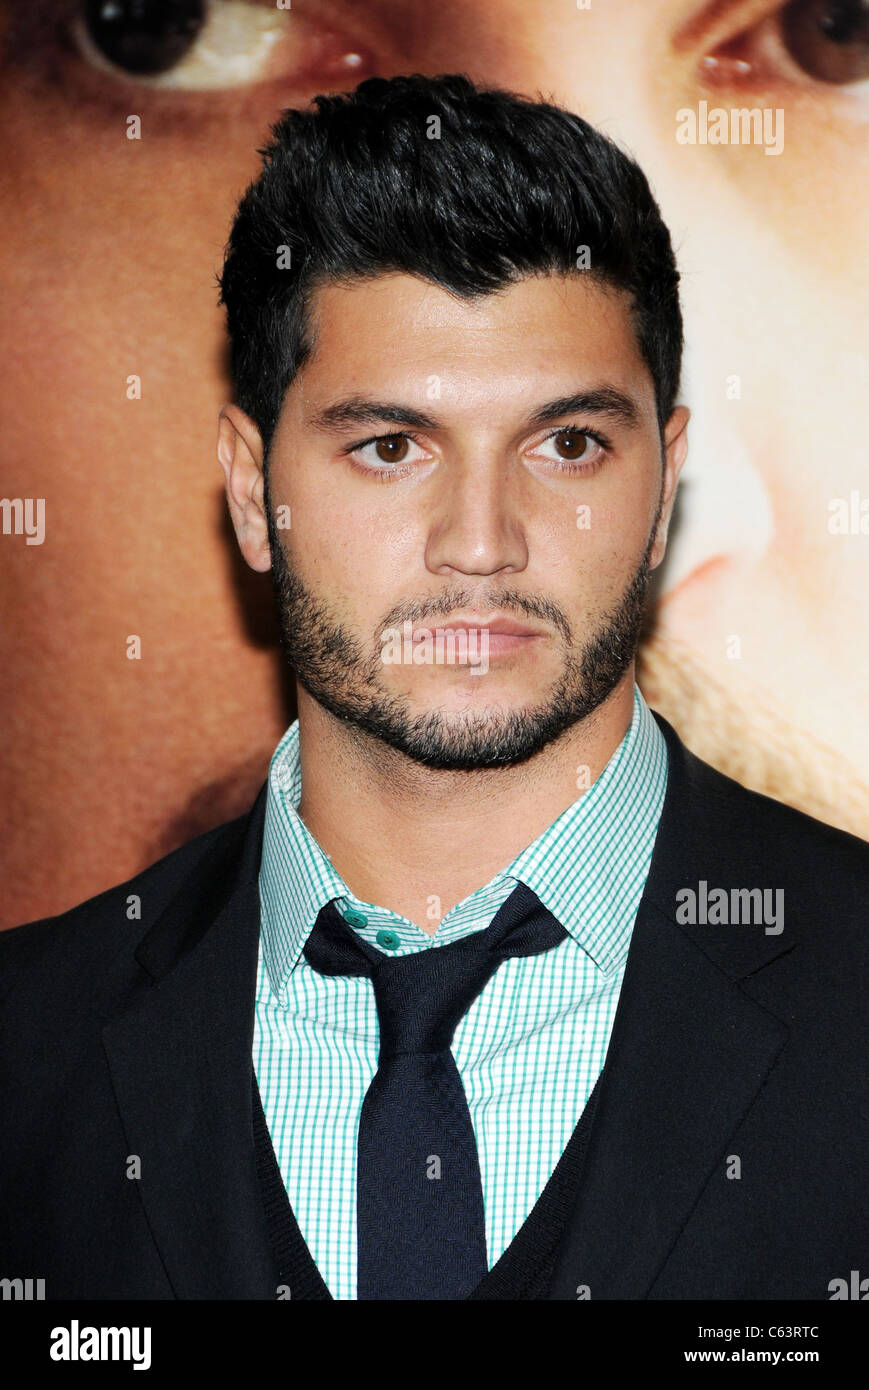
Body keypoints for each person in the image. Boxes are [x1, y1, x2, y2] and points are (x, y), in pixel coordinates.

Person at [1, 74, 866, 1302]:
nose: (479, 542)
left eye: (565, 444)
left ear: (663, 479)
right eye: (389, 447)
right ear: (253, 492)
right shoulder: (24, 1053)